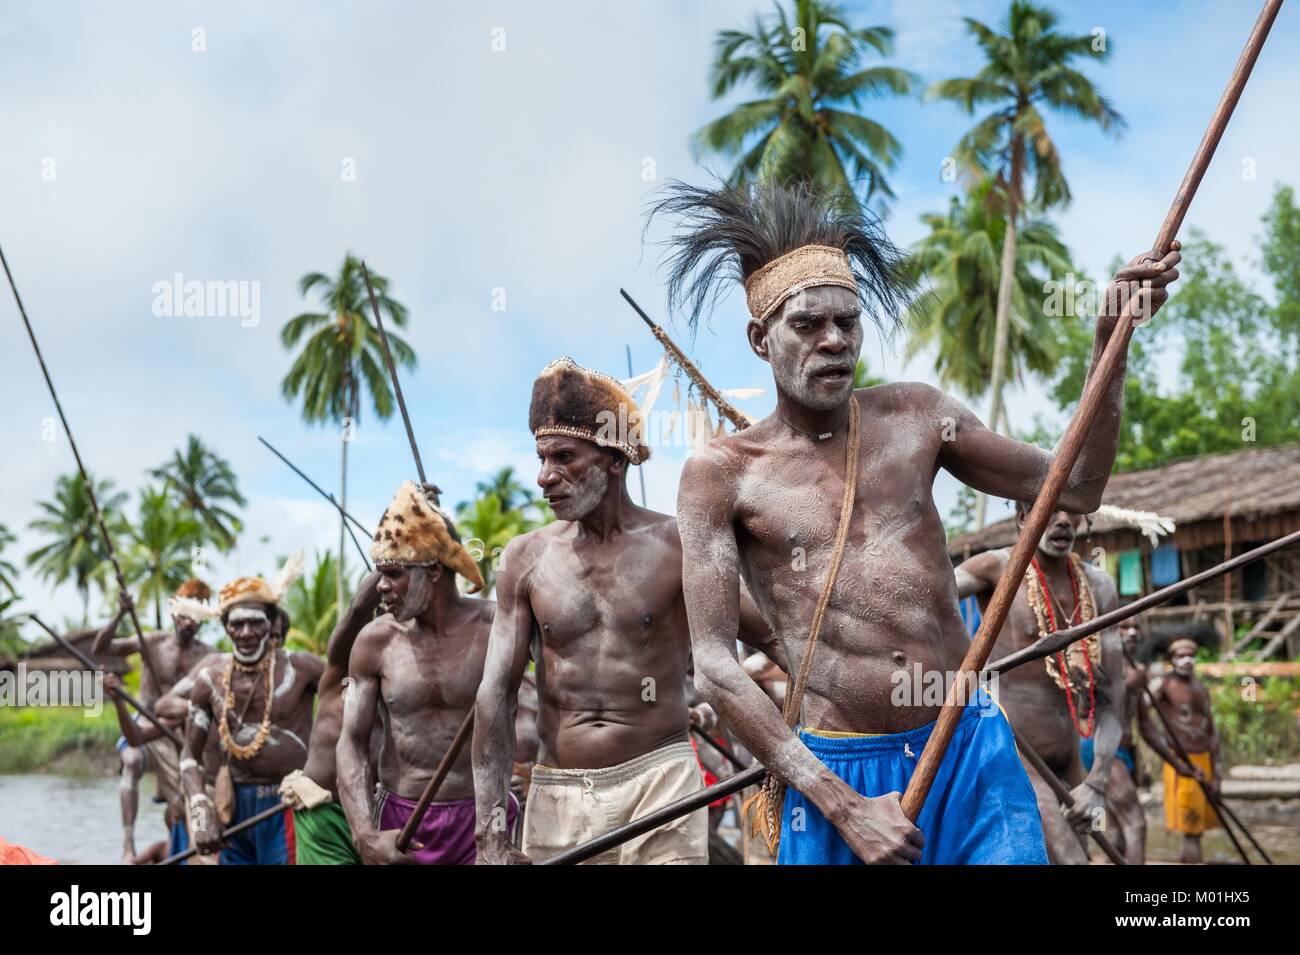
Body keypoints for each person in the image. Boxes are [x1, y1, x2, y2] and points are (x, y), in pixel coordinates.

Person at [659, 179, 1180, 864]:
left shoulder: (915, 416)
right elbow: (718, 666)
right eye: (808, 324)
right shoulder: (721, 474)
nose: (834, 340)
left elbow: (1074, 488)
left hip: (965, 743)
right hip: (837, 775)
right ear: (761, 338)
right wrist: (842, 804)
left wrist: (1110, 347)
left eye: (848, 322)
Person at [472, 357, 780, 865]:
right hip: (558, 796)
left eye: (563, 457)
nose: (544, 477)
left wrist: (827, 738)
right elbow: (495, 694)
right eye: (541, 458)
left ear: (614, 460)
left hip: (661, 784)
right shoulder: (524, 560)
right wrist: (489, 834)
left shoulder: (678, 547)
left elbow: (771, 639)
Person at [336, 481, 499, 865]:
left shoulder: (498, 626)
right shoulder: (375, 641)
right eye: (379, 574)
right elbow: (351, 742)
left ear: (435, 571)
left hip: (485, 819)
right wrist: (364, 835)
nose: (382, 587)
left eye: (393, 574)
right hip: (401, 823)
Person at [955, 506, 1125, 864]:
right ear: (1022, 518)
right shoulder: (997, 568)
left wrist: (1096, 782)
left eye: (1072, 512)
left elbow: (1112, 698)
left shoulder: (1099, 586)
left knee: (1082, 853)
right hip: (1015, 752)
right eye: (1049, 510)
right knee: (1071, 861)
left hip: (1070, 760)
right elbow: (932, 597)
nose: (1062, 520)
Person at [178, 555, 323, 864]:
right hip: (233, 808)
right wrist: (201, 809)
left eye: (255, 622)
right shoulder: (210, 680)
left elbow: (351, 691)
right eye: (237, 624)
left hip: (287, 803)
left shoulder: (302, 668)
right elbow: (189, 754)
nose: (245, 632)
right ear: (226, 628)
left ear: (271, 624)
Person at [92, 578, 213, 863]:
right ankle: (128, 846)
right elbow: (101, 647)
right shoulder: (152, 642)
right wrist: (121, 613)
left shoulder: (207, 656)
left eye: (195, 618)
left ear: (202, 621)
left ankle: (182, 849)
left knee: (186, 799)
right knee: (132, 762)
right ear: (174, 613)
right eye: (184, 615)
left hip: (182, 733)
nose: (188, 623)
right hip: (145, 726)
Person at [279, 571, 383, 864]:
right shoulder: (341, 664)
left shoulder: (415, 670)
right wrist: (387, 571)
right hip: (325, 811)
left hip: (387, 814)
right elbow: (356, 614)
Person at [1140, 636, 1220, 864]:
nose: (1187, 660)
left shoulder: (1201, 689)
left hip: (1204, 760)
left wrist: (1217, 773)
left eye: (1190, 655)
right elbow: (1142, 709)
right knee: (1191, 830)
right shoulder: (1165, 685)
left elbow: (1212, 732)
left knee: (1197, 831)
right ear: (1172, 659)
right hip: (1182, 763)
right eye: (1180, 655)